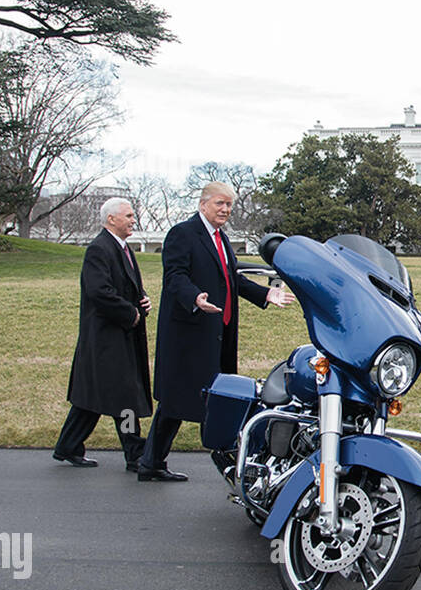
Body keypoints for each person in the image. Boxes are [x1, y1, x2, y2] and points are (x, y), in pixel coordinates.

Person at [137, 182, 294, 482]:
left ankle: (153, 461)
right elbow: (175, 276)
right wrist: (195, 297)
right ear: (204, 204)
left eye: (229, 206)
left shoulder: (221, 239)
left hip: (217, 334)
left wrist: (266, 295)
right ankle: (160, 462)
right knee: (178, 401)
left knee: (208, 397)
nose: (225, 210)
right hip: (190, 333)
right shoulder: (182, 234)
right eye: (220, 204)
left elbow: (231, 279)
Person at [53, 197, 153, 470]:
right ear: (112, 219)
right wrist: (131, 314)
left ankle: (68, 446)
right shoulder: (99, 248)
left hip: (120, 336)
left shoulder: (123, 249)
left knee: (92, 396)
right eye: (129, 216)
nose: (134, 220)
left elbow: (124, 286)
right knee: (125, 396)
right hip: (106, 338)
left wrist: (142, 299)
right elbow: (99, 292)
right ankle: (135, 453)